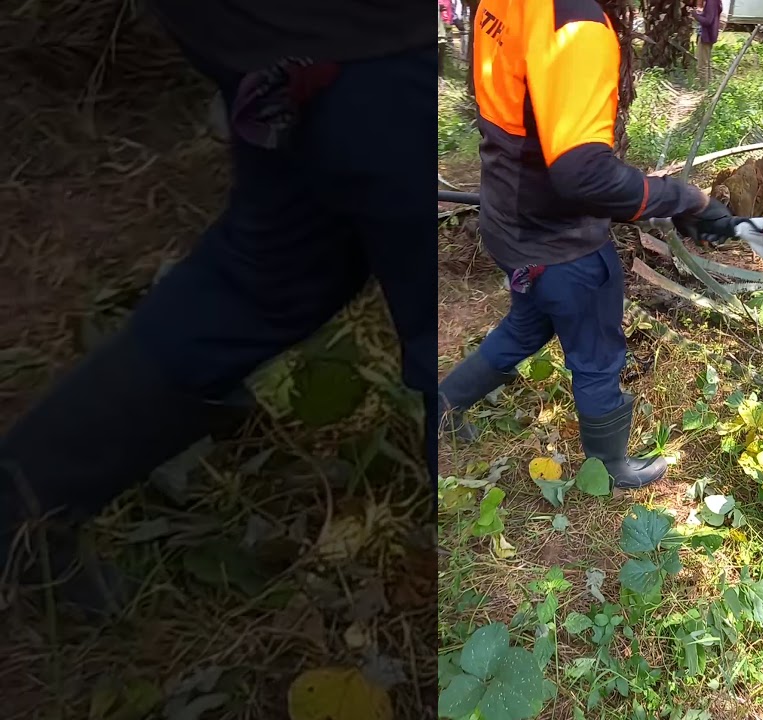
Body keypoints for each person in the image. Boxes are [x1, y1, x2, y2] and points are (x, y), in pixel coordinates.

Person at [0, 0, 437, 609]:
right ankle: (519, 610)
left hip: (264, 34)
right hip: (373, 44)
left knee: (272, 275)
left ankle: (26, 501)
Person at [438, 0, 741, 492]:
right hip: (561, 246)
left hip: (509, 223)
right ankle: (610, 467)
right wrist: (685, 197)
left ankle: (442, 406)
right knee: (596, 356)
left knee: (525, 325)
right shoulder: (575, 24)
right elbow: (583, 174)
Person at [693, 0, 722, 88]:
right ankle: (709, 86)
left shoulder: (711, 2)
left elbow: (708, 21)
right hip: (708, 35)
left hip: (706, 36)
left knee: (702, 64)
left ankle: (703, 88)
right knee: (706, 63)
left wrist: (695, 15)